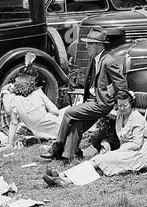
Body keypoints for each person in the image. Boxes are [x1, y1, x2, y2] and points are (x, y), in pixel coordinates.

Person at [42, 27, 126, 162]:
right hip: (92, 101)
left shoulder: (108, 61)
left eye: (90, 43)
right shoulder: (95, 59)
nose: (86, 46)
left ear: (99, 45)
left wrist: (116, 102)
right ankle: (67, 156)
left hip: (101, 103)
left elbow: (121, 85)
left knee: (69, 112)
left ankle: (57, 145)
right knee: (77, 124)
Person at [1, 65, 62, 144]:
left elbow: (13, 121)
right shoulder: (37, 92)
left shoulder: (13, 98)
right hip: (22, 124)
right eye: (33, 80)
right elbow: (55, 111)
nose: (33, 82)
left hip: (28, 125)